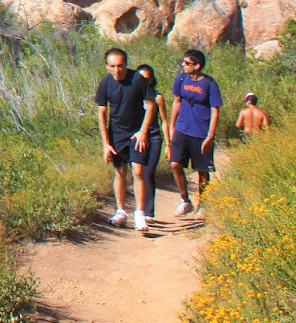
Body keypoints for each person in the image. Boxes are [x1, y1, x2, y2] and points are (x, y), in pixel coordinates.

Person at [94, 47, 157, 231]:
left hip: (136, 132)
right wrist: (106, 144)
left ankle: (140, 214)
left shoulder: (137, 79)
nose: (117, 70)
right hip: (117, 134)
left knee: (138, 171)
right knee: (120, 172)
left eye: (120, 65)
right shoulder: (105, 83)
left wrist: (143, 131)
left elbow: (151, 104)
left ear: (126, 64)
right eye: (112, 66)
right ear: (107, 66)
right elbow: (101, 114)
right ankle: (121, 211)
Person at [169, 48, 223, 215]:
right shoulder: (181, 79)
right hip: (182, 129)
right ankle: (185, 200)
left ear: (197, 66)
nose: (183, 65)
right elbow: (177, 102)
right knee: (175, 163)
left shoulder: (209, 84)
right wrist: (172, 126)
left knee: (202, 171)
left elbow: (215, 110)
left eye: (187, 63)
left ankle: (203, 204)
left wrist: (210, 135)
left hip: (201, 133)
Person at [135, 64, 168, 223]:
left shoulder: (157, 97)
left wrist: (168, 144)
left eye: (147, 79)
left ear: (152, 79)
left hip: (154, 137)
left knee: (148, 172)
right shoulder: (133, 96)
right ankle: (139, 210)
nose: (144, 82)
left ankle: (148, 212)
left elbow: (164, 121)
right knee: (138, 172)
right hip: (136, 137)